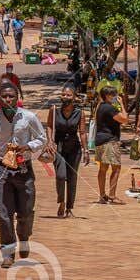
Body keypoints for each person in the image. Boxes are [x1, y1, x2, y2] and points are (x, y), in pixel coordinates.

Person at [0, 78, 47, 267]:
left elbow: (42, 138)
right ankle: (8, 252)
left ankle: (24, 238)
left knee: (25, 212)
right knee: (4, 213)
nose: (8, 100)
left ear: (17, 98)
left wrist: (27, 146)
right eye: (5, 96)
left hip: (24, 168)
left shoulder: (28, 118)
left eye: (11, 96)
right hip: (2, 170)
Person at [49, 86, 87, 217]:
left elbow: (82, 132)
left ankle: (69, 208)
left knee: (72, 178)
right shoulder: (54, 110)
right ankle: (61, 201)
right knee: (60, 176)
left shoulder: (80, 113)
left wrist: (86, 150)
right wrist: (50, 141)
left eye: (68, 95)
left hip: (74, 148)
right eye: (63, 94)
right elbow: (49, 126)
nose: (65, 97)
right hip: (58, 147)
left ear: (74, 97)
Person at [93, 84, 127, 205]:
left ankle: (102, 195)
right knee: (116, 168)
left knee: (103, 169)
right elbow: (124, 119)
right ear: (107, 96)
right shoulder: (110, 108)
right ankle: (112, 195)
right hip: (110, 141)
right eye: (113, 94)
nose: (116, 96)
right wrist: (122, 104)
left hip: (100, 140)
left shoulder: (100, 106)